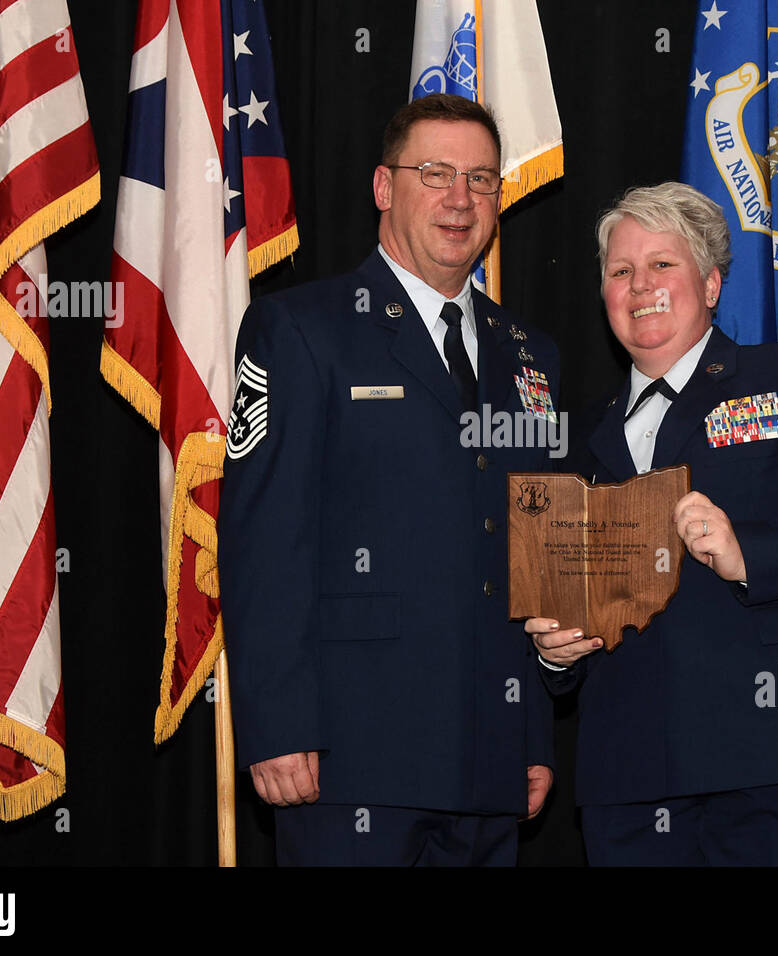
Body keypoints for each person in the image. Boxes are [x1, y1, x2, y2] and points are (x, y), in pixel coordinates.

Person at [525, 182, 778, 865]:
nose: (640, 284)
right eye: (620, 271)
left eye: (662, 265)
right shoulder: (571, 440)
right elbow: (561, 614)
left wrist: (748, 552)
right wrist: (553, 655)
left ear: (710, 284)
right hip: (630, 787)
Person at [219, 94, 559, 866]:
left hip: (487, 754)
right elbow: (263, 541)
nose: (459, 199)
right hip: (348, 757)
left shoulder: (530, 354)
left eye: (479, 178)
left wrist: (532, 730)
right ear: (382, 187)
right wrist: (276, 727)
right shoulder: (302, 329)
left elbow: (532, 554)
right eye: (434, 172)